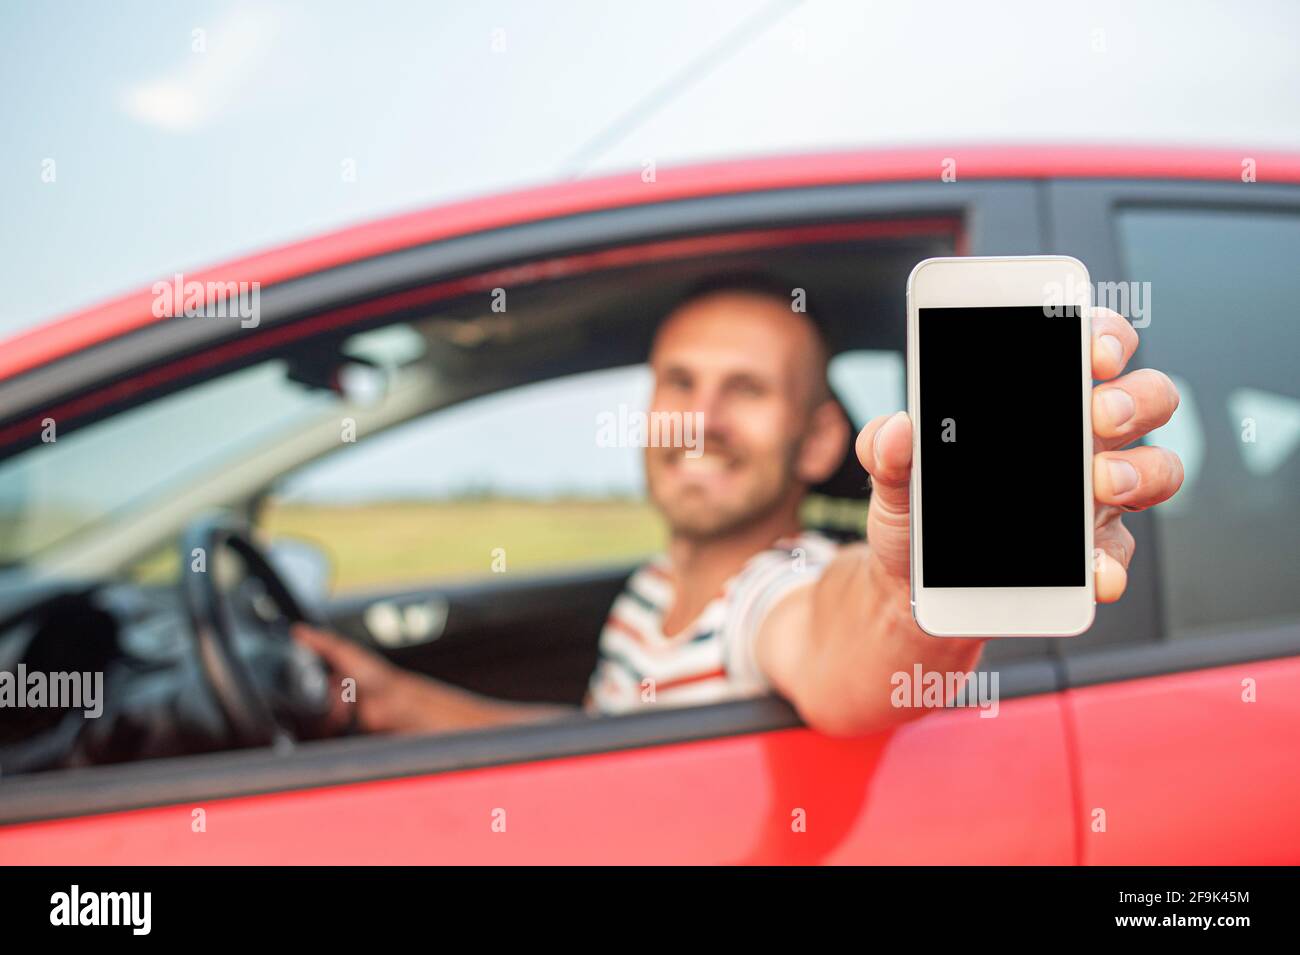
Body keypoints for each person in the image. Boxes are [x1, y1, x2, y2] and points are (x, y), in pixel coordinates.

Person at [293, 275, 1183, 737]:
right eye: (680, 381)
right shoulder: (649, 590)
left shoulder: (770, 593)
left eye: (747, 389)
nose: (701, 420)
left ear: (820, 440)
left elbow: (843, 643)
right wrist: (391, 698)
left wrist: (919, 585)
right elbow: (604, 742)